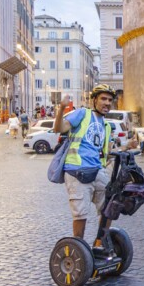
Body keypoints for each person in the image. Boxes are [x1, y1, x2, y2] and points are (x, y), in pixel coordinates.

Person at [53, 85, 132, 240]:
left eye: (110, 100)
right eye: (103, 99)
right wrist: (61, 108)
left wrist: (126, 146)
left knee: (109, 206)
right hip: (77, 170)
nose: (107, 103)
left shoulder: (106, 125)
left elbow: (107, 153)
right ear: (94, 100)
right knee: (80, 214)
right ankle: (79, 245)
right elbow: (59, 128)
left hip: (97, 170)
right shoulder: (82, 114)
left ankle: (100, 243)